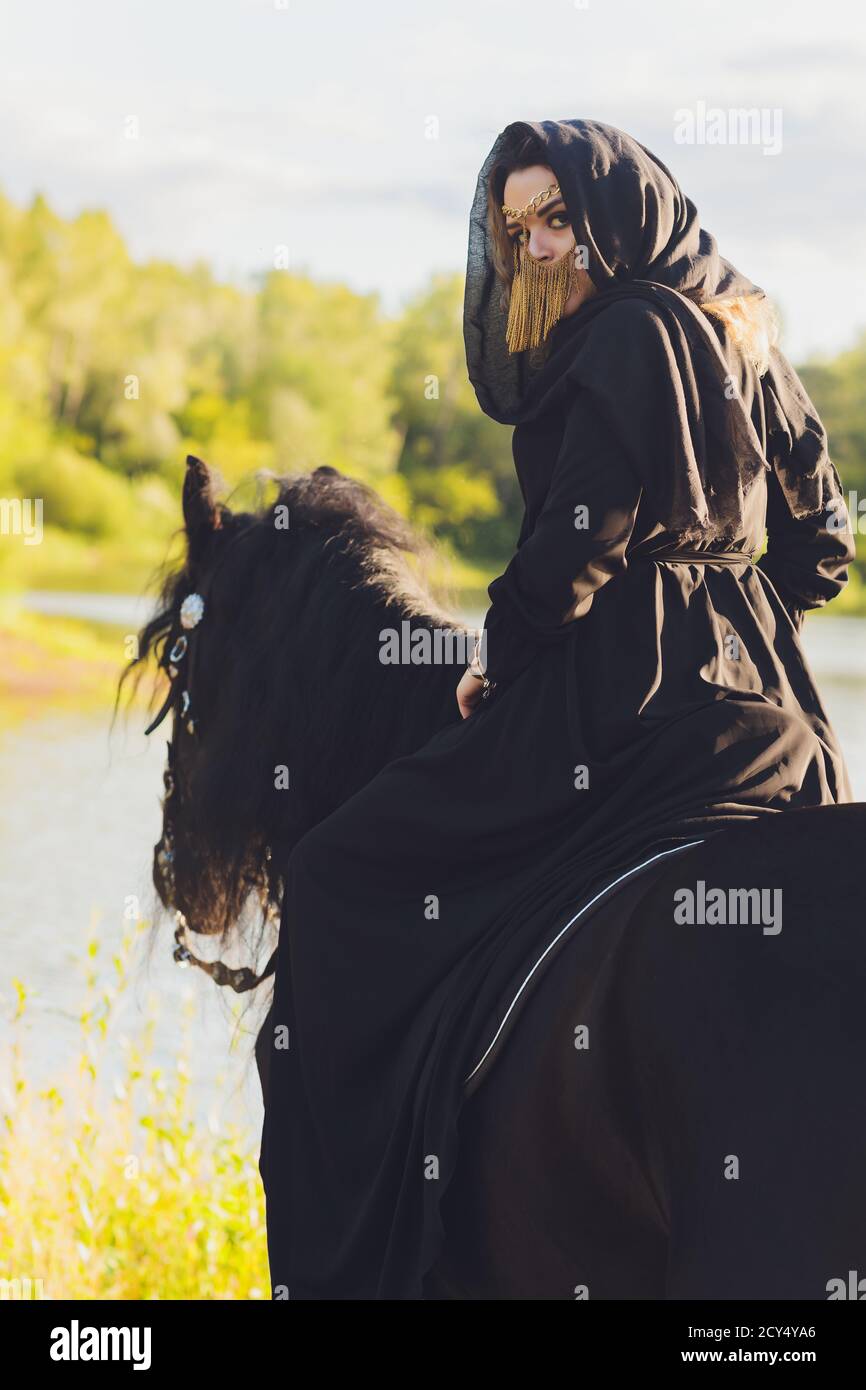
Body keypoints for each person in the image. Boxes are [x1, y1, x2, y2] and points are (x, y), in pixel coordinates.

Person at [257, 118, 855, 1300]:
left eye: (554, 218)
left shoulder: (628, 332)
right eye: (515, 227)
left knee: (334, 876)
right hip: (769, 716)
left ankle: (350, 1259)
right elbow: (825, 546)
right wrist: (730, 600)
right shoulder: (746, 329)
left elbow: (584, 535)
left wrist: (505, 652)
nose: (534, 249)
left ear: (617, 210)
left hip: (614, 703)